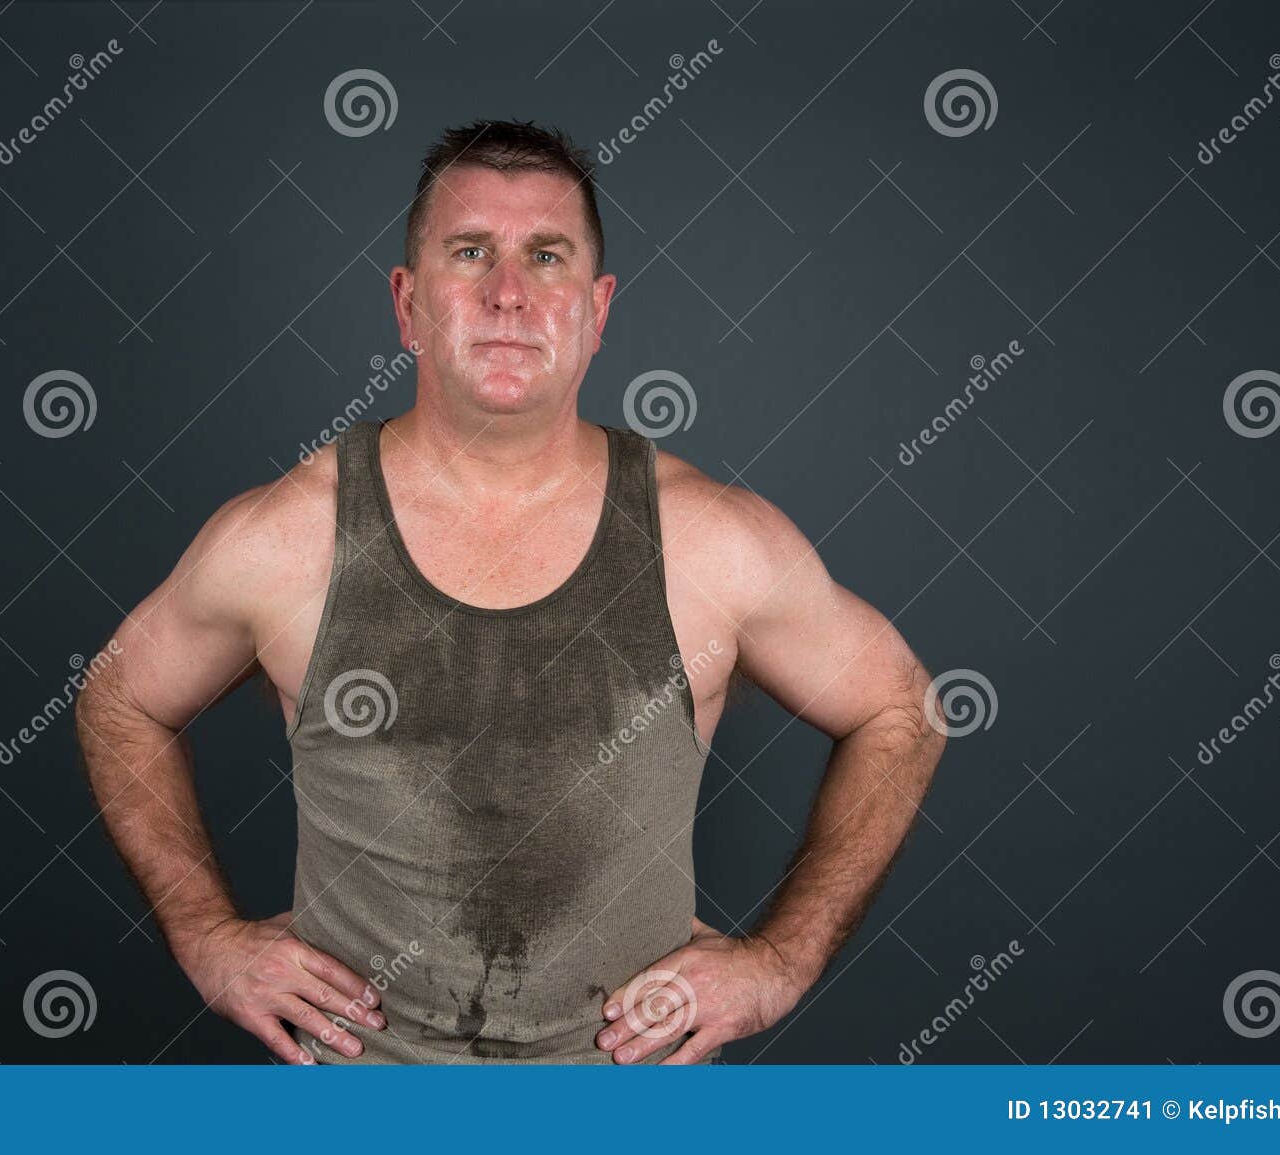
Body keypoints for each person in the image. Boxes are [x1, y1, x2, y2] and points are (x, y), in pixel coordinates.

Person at [74, 119, 946, 1065]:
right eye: (470, 253)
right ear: (407, 306)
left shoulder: (709, 540)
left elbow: (902, 710)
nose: (508, 294)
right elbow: (119, 697)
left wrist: (780, 959)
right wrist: (206, 937)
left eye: (546, 256)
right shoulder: (291, 535)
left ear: (598, 309)